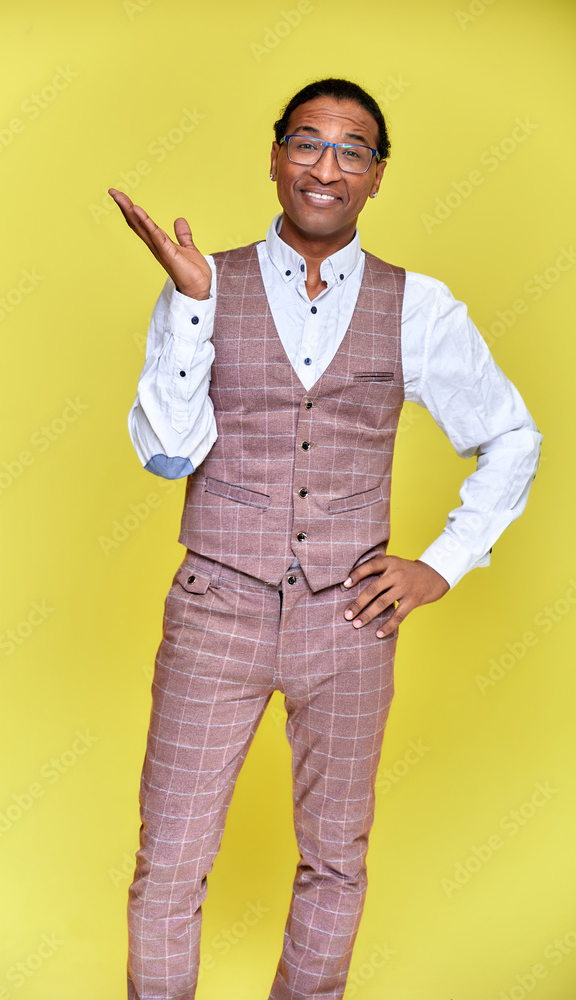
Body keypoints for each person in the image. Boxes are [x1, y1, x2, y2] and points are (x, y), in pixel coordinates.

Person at [108, 77, 541, 1000]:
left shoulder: (418, 306)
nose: (326, 166)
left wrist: (443, 563)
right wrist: (191, 306)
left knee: (335, 862)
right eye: (308, 142)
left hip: (349, 623)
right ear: (275, 156)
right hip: (214, 609)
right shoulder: (202, 284)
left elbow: (513, 435)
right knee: (170, 865)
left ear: (377, 176)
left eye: (352, 150)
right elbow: (165, 453)